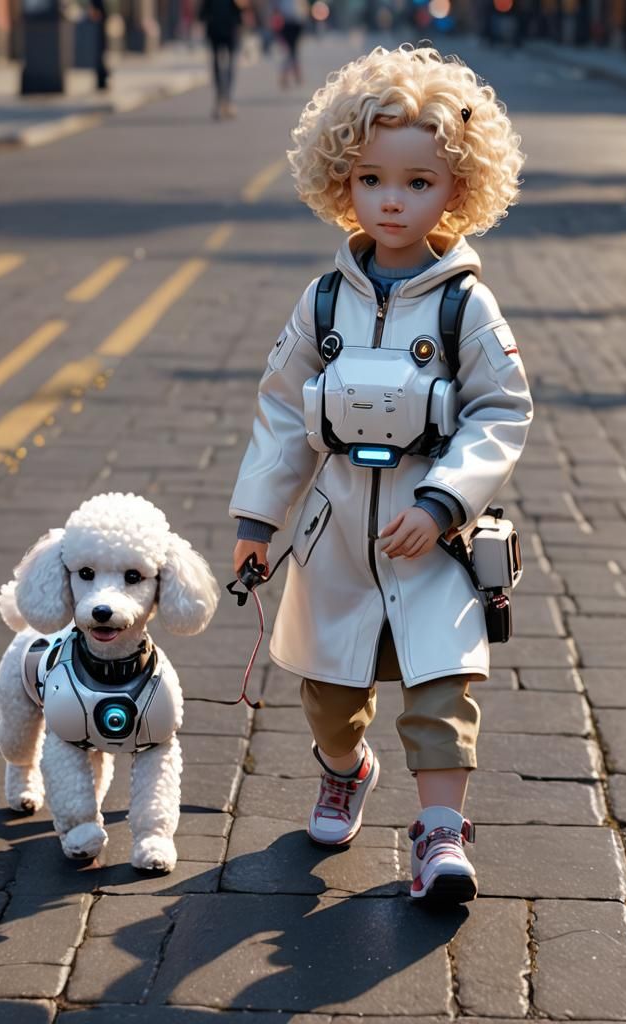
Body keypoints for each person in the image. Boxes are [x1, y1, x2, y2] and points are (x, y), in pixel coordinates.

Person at [228, 44, 531, 905]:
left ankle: (441, 835)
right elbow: (285, 410)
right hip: (335, 536)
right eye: (370, 179)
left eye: (419, 182)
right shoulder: (323, 302)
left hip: (428, 537)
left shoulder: (464, 302)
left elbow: (502, 408)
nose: (392, 200)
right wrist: (259, 521)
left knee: (442, 689)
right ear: (341, 181)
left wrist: (444, 502)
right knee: (330, 690)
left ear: (458, 189)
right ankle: (344, 767)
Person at [198, 0, 245, 119]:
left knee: (225, 66)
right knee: (221, 66)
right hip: (219, 29)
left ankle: (224, 99)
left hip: (227, 29)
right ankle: (223, 99)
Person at [270, 0, 307, 89]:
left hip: (297, 24)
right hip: (286, 24)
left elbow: (303, 8)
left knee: (292, 51)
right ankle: (292, 76)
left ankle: (290, 76)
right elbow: (276, 8)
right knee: (291, 52)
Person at [87, 0, 109, 91]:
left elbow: (97, 14)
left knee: (99, 57)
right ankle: (102, 81)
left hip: (99, 31)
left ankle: (102, 81)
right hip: (100, 30)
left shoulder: (97, 2)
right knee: (100, 57)